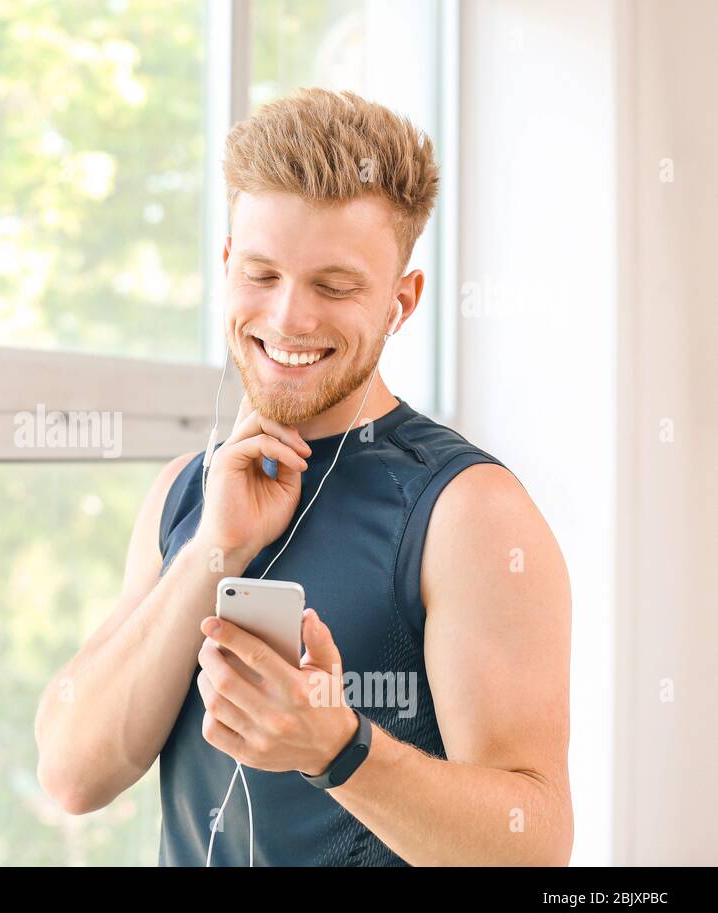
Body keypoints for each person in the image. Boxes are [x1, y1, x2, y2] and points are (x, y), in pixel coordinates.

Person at [34, 87, 573, 866]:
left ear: (400, 301)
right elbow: (72, 774)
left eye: (335, 286)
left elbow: (535, 842)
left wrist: (340, 750)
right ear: (226, 266)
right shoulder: (187, 492)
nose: (290, 318)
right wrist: (213, 548)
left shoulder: (468, 512)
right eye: (262, 274)